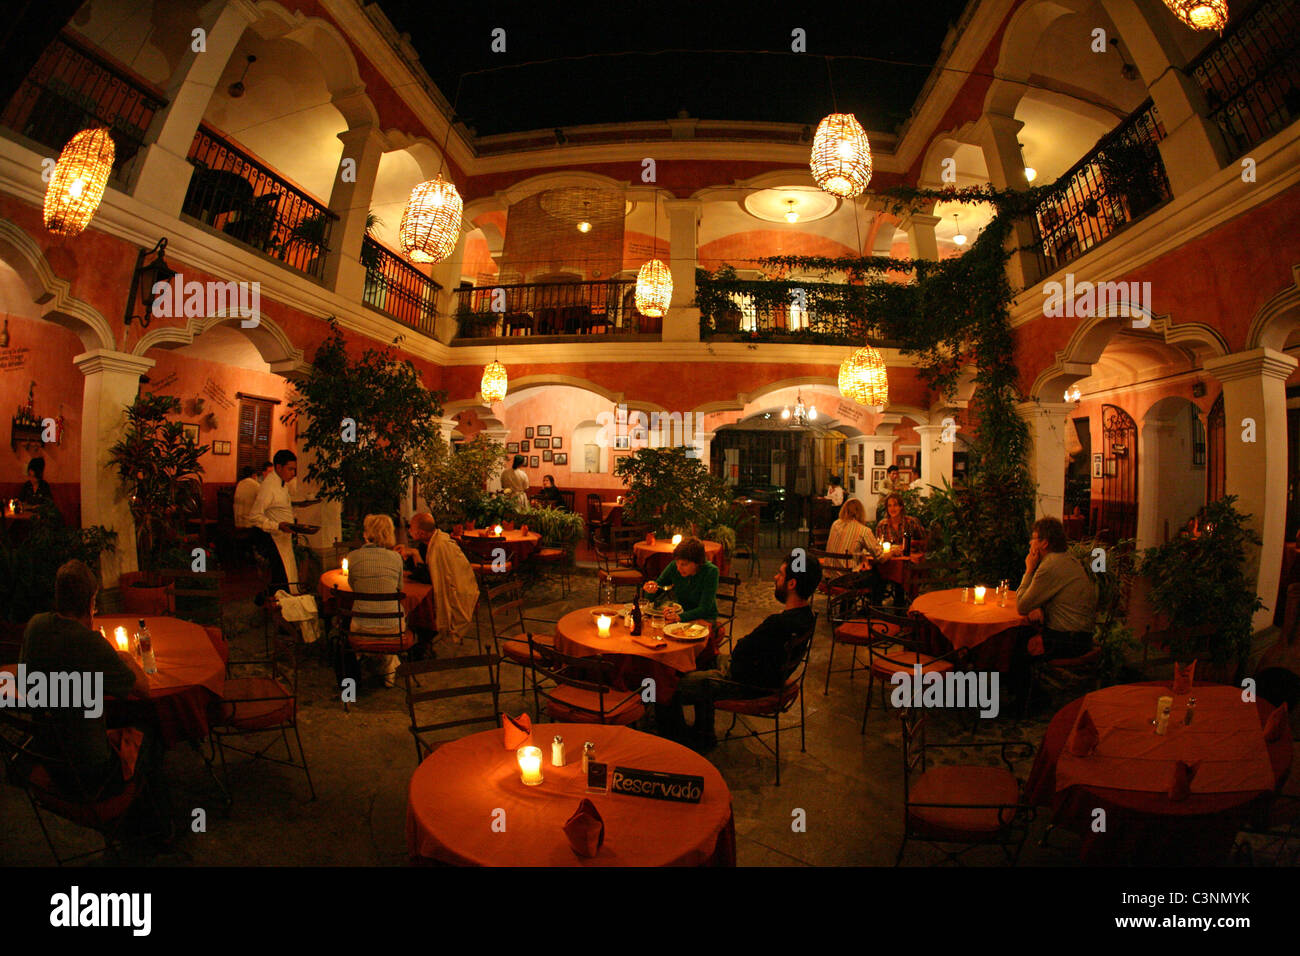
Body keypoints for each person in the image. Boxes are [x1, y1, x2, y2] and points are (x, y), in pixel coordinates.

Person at [20, 560, 170, 838]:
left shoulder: (35, 626)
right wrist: (122, 657)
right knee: (153, 729)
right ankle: (153, 829)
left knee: (112, 719)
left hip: (46, 755)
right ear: (91, 601)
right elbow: (144, 689)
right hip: (90, 777)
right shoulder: (91, 644)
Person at [672, 552, 822, 749]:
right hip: (766, 676)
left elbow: (741, 649)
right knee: (705, 659)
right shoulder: (807, 617)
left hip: (746, 683)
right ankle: (704, 733)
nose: (776, 578)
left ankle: (677, 740)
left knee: (671, 686)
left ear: (792, 584)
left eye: (780, 574)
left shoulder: (777, 624)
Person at [1010, 517, 1098, 706]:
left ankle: (1029, 701)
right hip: (1082, 635)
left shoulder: (1050, 566)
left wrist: (1028, 570)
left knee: (1014, 643)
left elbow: (1022, 606)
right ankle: (1028, 692)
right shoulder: (1067, 559)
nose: (1030, 543)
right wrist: (1040, 606)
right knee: (1022, 633)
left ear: (1044, 543)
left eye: (1033, 538)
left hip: (1068, 640)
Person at [345, 515, 406, 687]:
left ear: (366, 533)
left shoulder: (353, 557)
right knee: (398, 613)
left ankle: (364, 664)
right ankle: (389, 666)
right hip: (393, 629)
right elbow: (399, 588)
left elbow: (353, 586)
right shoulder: (396, 558)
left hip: (361, 627)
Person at [405, 512, 479, 645]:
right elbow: (428, 572)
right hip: (459, 587)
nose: (409, 530)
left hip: (460, 593)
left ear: (421, 533)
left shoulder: (440, 547)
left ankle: (423, 641)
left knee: (420, 607)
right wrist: (413, 554)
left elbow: (430, 578)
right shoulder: (431, 542)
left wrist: (414, 554)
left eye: (411, 528)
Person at [249, 450, 300, 596]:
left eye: (294, 469)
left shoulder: (282, 484)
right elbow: (254, 516)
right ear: (278, 467)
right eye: (290, 469)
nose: (293, 473)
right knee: (281, 580)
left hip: (284, 539)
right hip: (274, 540)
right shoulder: (269, 487)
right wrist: (277, 526)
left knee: (288, 577)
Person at [642, 537, 719, 625]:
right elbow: (657, 589)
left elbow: (705, 608)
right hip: (680, 613)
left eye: (684, 564)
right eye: (677, 562)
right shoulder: (674, 566)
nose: (678, 568)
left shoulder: (711, 571)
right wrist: (650, 589)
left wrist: (680, 617)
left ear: (698, 562)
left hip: (704, 618)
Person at [825, 498, 885, 571]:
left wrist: (862, 557)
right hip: (848, 577)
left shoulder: (835, 524)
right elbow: (880, 557)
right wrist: (892, 552)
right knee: (876, 573)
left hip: (829, 575)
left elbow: (849, 547)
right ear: (861, 512)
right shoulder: (864, 530)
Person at [234, 460, 271, 529]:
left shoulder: (240, 484)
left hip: (237, 521)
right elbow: (264, 503)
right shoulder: (255, 485)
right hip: (248, 524)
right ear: (254, 475)